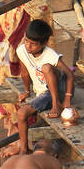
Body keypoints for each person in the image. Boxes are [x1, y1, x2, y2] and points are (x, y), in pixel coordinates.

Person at [13, 18, 76, 152]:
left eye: (33, 44)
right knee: (20, 114)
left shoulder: (50, 55)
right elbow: (24, 72)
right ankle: (23, 149)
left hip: (59, 90)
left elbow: (70, 75)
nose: (28, 46)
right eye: (27, 41)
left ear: (44, 43)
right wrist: (26, 91)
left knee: (46, 68)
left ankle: (55, 105)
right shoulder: (22, 50)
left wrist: (67, 99)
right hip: (42, 92)